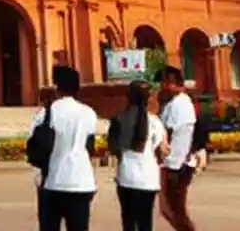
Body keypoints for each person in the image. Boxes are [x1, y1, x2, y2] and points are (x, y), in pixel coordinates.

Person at [30, 66, 97, 231]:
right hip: (81, 182)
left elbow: (33, 144)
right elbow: (90, 145)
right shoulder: (88, 113)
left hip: (53, 182)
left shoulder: (46, 113)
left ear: (57, 87)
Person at [110, 81, 166, 231]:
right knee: (145, 222)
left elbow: (114, 149)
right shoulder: (154, 122)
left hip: (126, 177)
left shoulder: (119, 120)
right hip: (148, 178)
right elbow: (162, 151)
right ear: (148, 99)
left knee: (128, 221)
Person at [158, 67, 198, 231]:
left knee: (173, 209)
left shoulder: (179, 104)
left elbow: (170, 132)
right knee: (170, 209)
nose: (162, 87)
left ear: (172, 83)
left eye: (164, 83)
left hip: (175, 164)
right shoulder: (175, 103)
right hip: (176, 162)